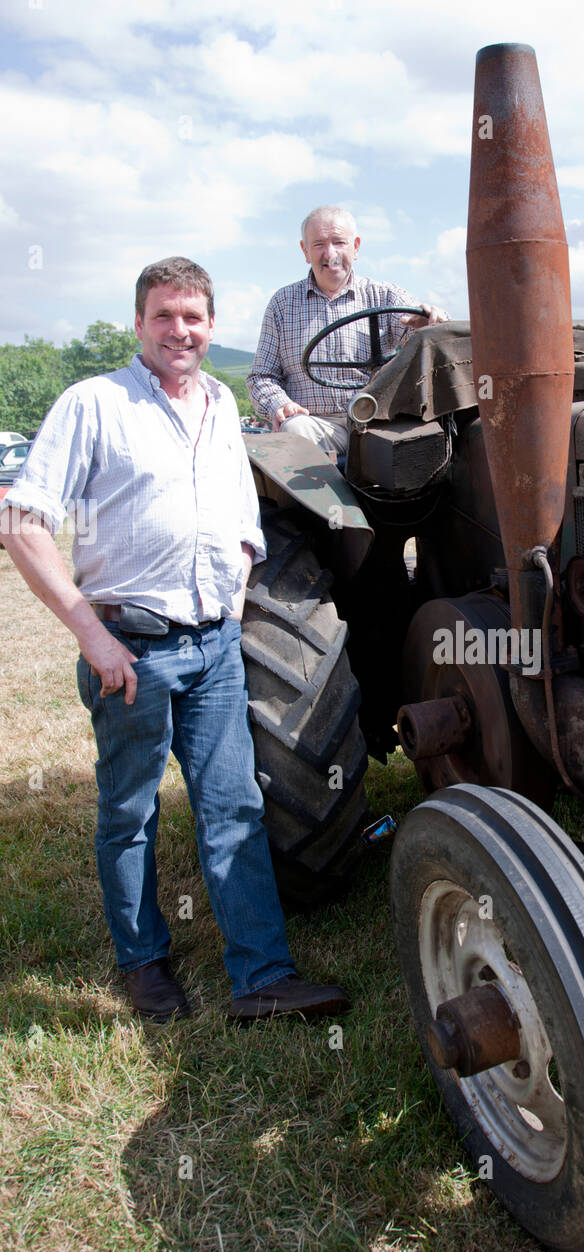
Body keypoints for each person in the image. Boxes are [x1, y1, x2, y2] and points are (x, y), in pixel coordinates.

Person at [0, 256, 350, 1025]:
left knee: (233, 809)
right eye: (164, 315)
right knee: (130, 813)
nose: (180, 330)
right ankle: (144, 965)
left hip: (215, 648)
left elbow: (240, 508)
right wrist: (92, 635)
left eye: (193, 317)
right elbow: (22, 523)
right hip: (132, 649)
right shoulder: (94, 404)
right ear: (139, 323)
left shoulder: (223, 403)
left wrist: (238, 580)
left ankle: (261, 975)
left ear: (211, 326)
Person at [247, 205, 447, 455]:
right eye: (318, 244)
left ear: (356, 247)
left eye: (339, 242)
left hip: (377, 421)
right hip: (316, 425)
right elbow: (260, 377)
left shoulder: (383, 295)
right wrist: (281, 404)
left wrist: (432, 323)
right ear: (305, 251)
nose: (330, 254)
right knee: (295, 430)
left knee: (431, 440)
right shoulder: (283, 304)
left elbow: (427, 335)